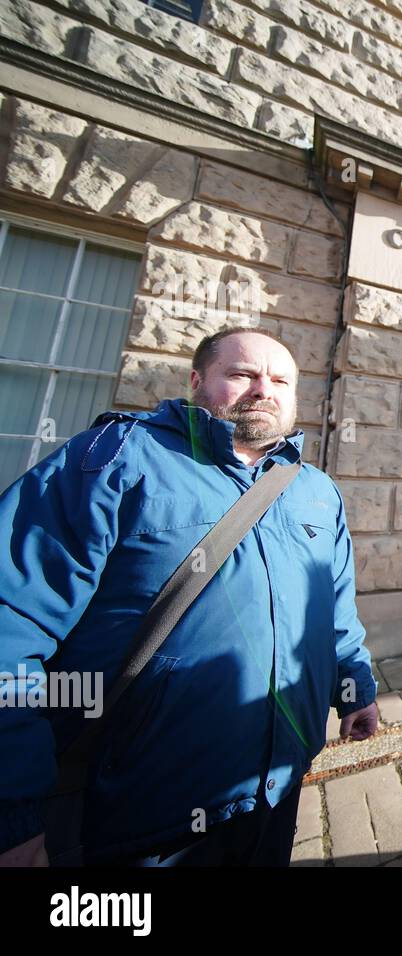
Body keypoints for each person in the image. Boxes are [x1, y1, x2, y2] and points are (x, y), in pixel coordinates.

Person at [0, 328, 378, 867]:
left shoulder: (316, 491)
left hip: (274, 788)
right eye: (243, 374)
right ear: (198, 380)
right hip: (137, 810)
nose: (262, 390)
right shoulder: (118, 458)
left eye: (280, 380)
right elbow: (13, 619)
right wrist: (13, 811)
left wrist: (356, 687)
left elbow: (336, 604)